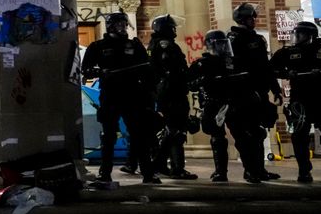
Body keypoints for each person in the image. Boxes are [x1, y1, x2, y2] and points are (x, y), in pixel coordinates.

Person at [81, 11, 157, 184]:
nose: (123, 27)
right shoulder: (98, 46)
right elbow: (86, 69)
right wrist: (100, 72)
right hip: (110, 95)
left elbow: (147, 70)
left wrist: (149, 92)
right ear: (110, 25)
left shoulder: (134, 45)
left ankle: (148, 172)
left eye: (124, 23)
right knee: (109, 135)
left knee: (139, 134)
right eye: (119, 24)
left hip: (133, 95)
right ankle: (105, 172)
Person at [271, 21, 321, 184]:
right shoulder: (288, 53)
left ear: (310, 36)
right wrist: (286, 73)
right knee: (299, 136)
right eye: (295, 35)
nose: (296, 38)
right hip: (299, 101)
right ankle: (304, 170)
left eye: (300, 35)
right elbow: (270, 69)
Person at [188, 29, 267, 183]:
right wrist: (202, 81)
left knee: (242, 136)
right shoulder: (202, 63)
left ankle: (250, 171)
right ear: (210, 45)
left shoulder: (233, 61)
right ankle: (220, 172)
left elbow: (246, 80)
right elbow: (190, 83)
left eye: (224, 44)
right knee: (217, 138)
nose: (222, 48)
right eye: (219, 45)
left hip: (233, 101)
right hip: (213, 103)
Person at [227, 3, 282, 179]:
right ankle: (250, 170)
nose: (254, 20)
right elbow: (230, 69)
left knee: (258, 132)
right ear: (243, 19)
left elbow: (266, 68)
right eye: (251, 17)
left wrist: (276, 89)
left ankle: (259, 170)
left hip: (259, 93)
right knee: (245, 135)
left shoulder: (257, 39)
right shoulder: (232, 40)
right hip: (241, 95)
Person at [148, 14, 195, 179]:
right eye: (172, 26)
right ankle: (175, 166)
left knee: (174, 131)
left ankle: (162, 164)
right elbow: (170, 72)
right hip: (171, 94)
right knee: (176, 131)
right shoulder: (164, 46)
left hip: (171, 93)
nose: (174, 29)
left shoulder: (157, 45)